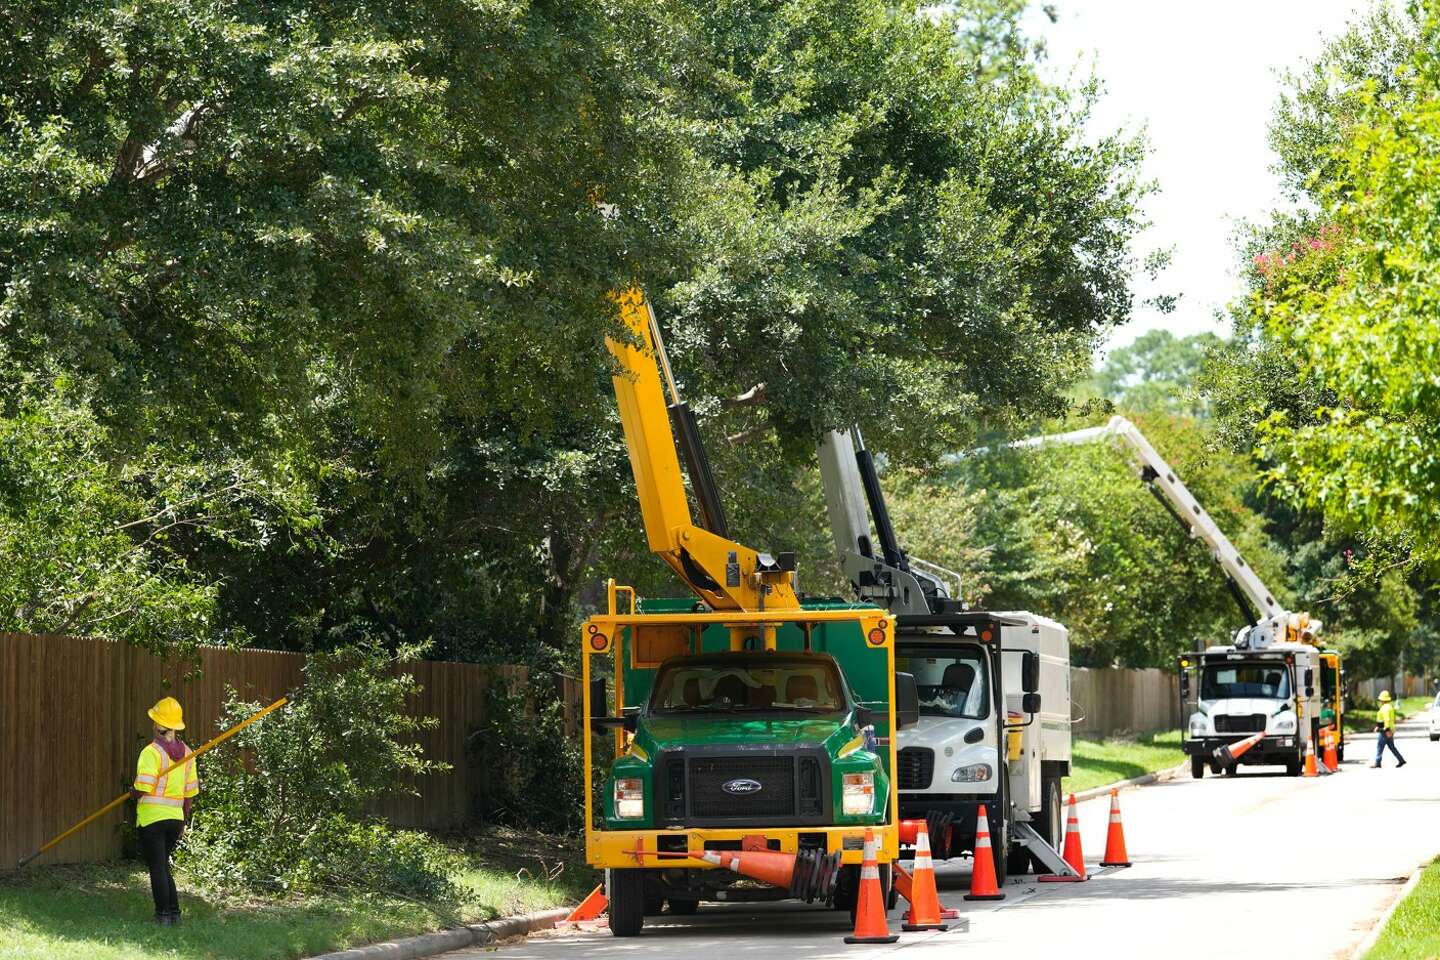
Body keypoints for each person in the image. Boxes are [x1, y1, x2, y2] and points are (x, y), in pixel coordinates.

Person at [132, 697, 200, 924]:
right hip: (175, 819)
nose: (152, 724)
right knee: (163, 866)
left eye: (154, 721)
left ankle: (162, 916)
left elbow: (143, 786)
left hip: (152, 819)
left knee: (157, 868)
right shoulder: (188, 753)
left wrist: (133, 794)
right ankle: (175, 914)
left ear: (159, 726)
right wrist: (183, 822)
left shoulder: (151, 752)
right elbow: (189, 793)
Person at [1372, 690, 1406, 769]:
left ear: (1382, 700)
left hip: (1385, 731)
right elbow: (1389, 720)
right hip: (1388, 730)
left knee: (1380, 746)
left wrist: (1387, 730)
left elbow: (1386, 720)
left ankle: (1377, 762)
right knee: (1391, 747)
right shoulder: (1390, 707)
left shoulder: (1385, 708)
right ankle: (1401, 760)